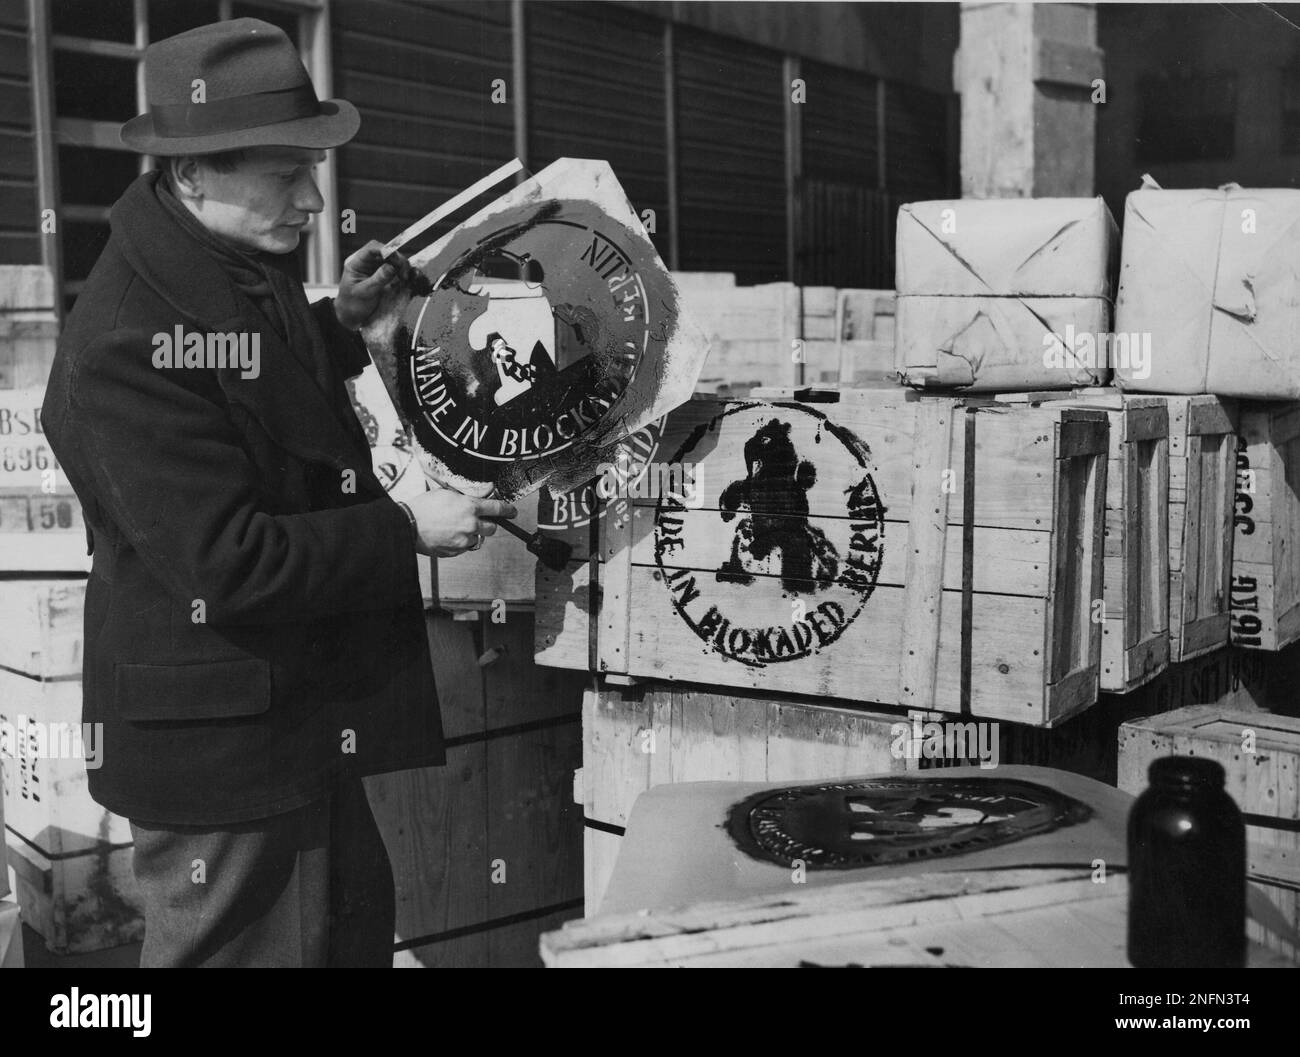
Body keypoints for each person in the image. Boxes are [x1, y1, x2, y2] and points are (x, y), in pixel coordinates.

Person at [40, 17, 515, 967]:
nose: (313, 196)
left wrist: (342, 323)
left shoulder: (209, 272)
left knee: (340, 941)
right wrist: (404, 528)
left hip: (287, 714)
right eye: (284, 172)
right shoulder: (126, 344)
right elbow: (232, 559)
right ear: (191, 175)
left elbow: (247, 371)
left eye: (313, 165)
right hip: (221, 756)